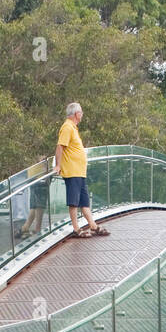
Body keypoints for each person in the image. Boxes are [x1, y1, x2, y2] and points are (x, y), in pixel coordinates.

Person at [52, 102, 110, 238]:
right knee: (74, 202)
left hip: (79, 172)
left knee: (84, 201)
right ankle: (76, 229)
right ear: (77, 114)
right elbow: (60, 147)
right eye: (81, 113)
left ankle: (93, 226)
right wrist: (58, 165)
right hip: (72, 172)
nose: (82, 115)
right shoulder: (67, 127)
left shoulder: (73, 128)